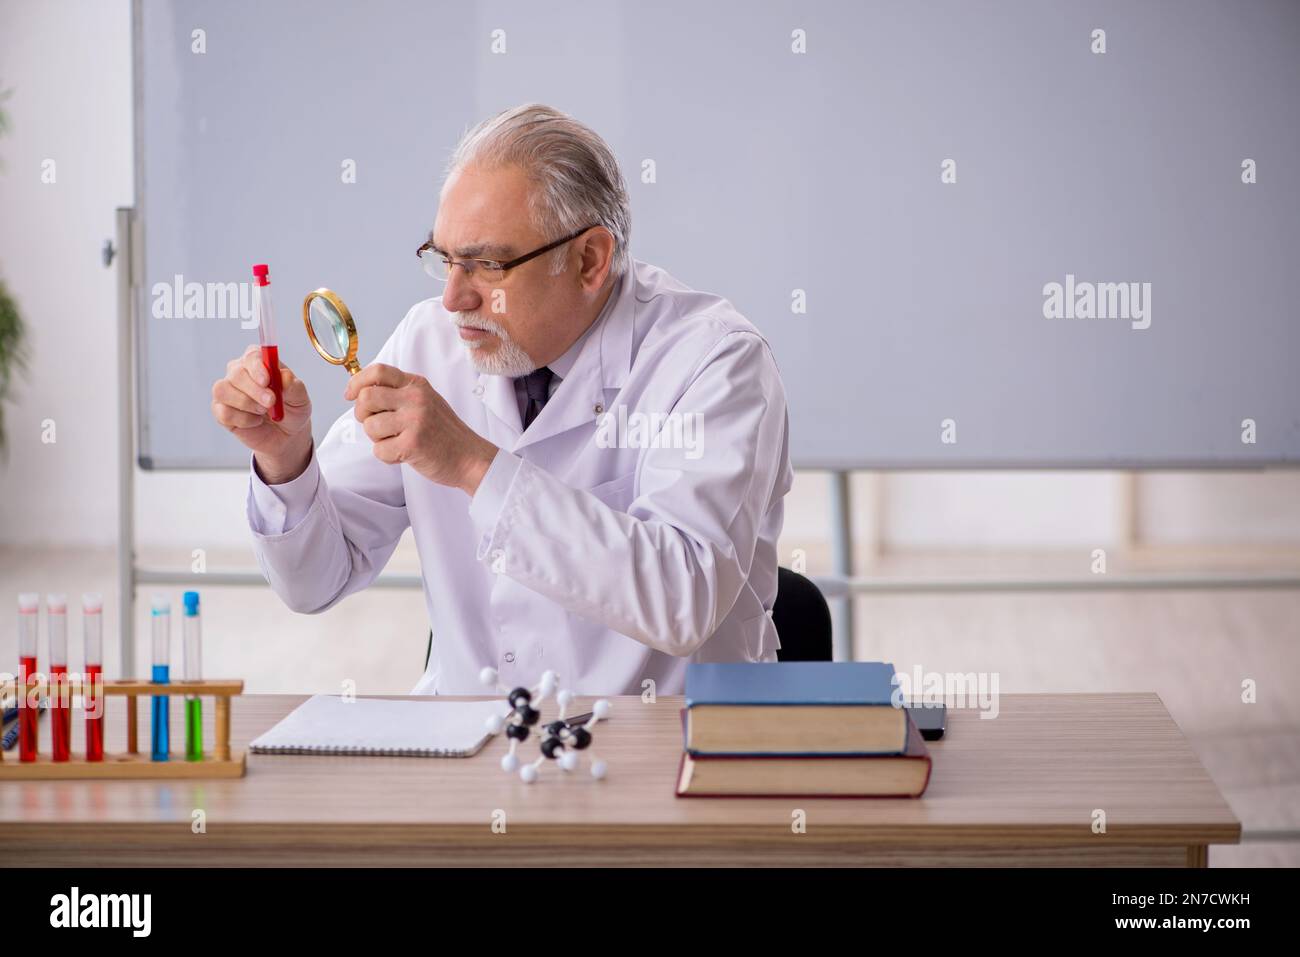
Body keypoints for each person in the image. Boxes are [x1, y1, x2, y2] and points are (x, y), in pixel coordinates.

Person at [210, 103, 793, 695]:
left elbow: (682, 600)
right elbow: (313, 584)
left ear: (590, 260)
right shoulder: (428, 342)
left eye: (488, 264)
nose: (454, 299)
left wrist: (471, 464)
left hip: (665, 745)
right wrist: (286, 464)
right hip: (471, 743)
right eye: (445, 261)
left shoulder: (716, 361)